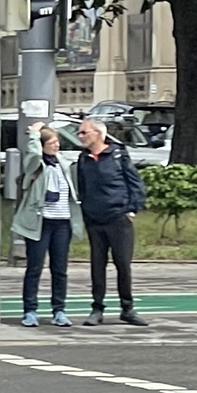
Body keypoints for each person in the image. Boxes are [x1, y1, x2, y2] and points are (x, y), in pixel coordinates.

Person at [76, 115, 148, 325]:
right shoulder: (83, 159)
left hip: (118, 218)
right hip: (94, 220)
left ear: (98, 133)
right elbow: (82, 187)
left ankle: (127, 308)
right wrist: (86, 212)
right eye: (79, 133)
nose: (80, 136)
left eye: (84, 132)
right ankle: (97, 308)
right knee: (97, 265)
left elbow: (134, 182)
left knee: (122, 264)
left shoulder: (117, 154)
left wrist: (132, 209)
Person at [10, 122, 81, 327]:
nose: (56, 146)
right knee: (34, 268)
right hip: (40, 222)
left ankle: (59, 310)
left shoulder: (63, 163)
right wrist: (34, 134)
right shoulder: (36, 165)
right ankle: (30, 311)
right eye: (51, 143)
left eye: (57, 142)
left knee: (60, 269)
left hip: (62, 223)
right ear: (42, 146)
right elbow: (32, 156)